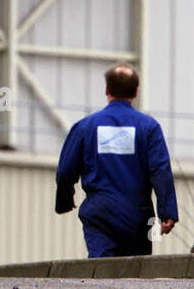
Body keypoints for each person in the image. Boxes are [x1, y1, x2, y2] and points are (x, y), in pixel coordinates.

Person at [55, 64, 178, 258]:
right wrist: (167, 212)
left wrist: (64, 201)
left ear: (106, 90)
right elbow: (160, 171)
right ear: (136, 92)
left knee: (102, 270)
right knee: (136, 274)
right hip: (138, 216)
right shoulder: (149, 128)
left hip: (100, 213)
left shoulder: (86, 126)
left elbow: (65, 170)